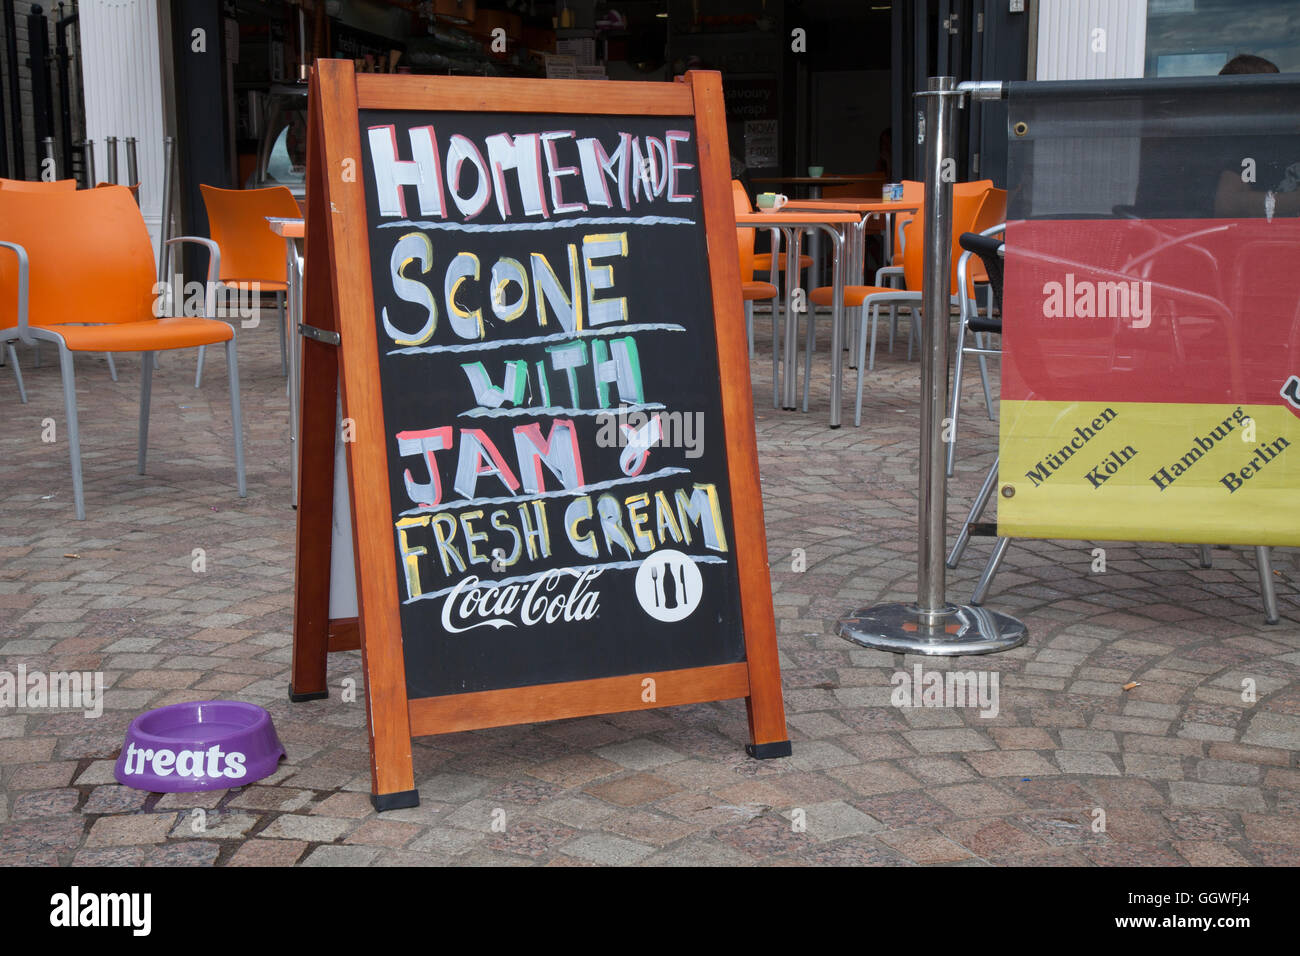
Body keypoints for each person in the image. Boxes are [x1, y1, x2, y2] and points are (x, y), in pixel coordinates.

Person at [1213, 54, 1299, 218]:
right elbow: (1227, 203)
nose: (1280, 98)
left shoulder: (1290, 137)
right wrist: (1294, 200)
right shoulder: (1235, 145)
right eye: (1271, 90)